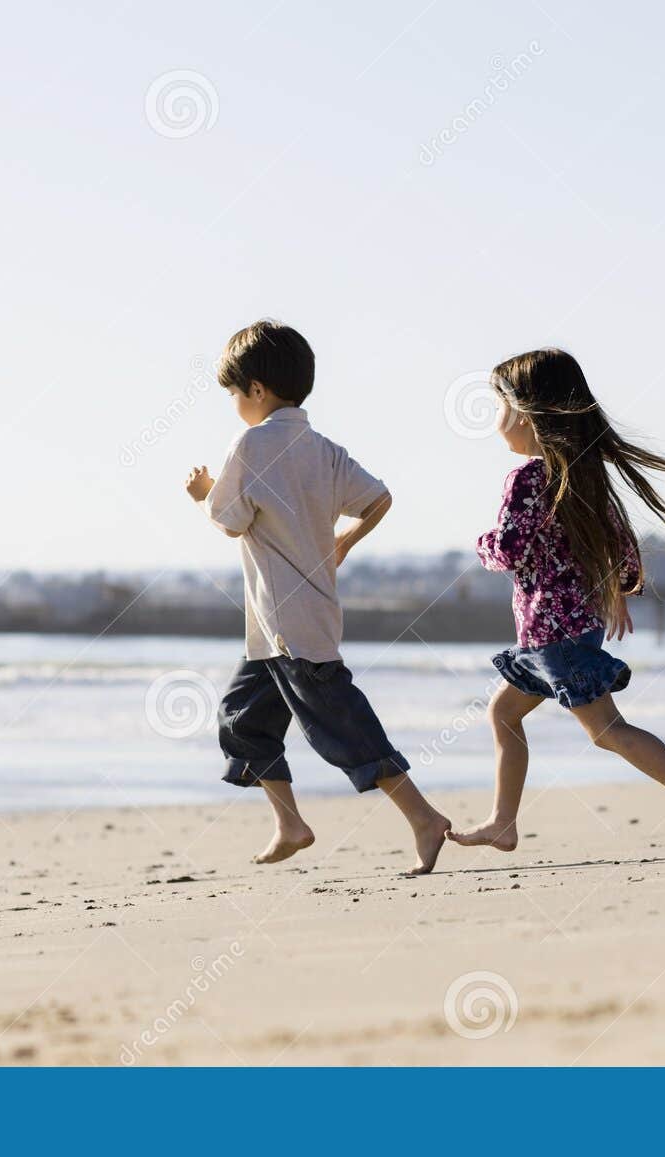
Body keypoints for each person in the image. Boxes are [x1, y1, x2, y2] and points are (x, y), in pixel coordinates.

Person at [184, 320, 452, 874]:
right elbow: (378, 499)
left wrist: (203, 494)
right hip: (282, 624)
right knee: (242, 719)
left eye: (234, 392)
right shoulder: (323, 448)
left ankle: (424, 817)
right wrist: (344, 542)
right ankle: (290, 824)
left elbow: (231, 522)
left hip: (289, 626)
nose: (233, 403)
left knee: (343, 727)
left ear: (257, 390)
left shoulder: (252, 443)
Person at [448, 348, 665, 858]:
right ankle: (502, 823)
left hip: (553, 638)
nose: (495, 421)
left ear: (528, 414)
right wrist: (617, 591)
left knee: (606, 730)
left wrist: (480, 543)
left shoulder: (530, 478)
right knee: (504, 714)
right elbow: (623, 551)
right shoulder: (582, 475)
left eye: (498, 406)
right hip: (555, 637)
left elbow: (510, 549)